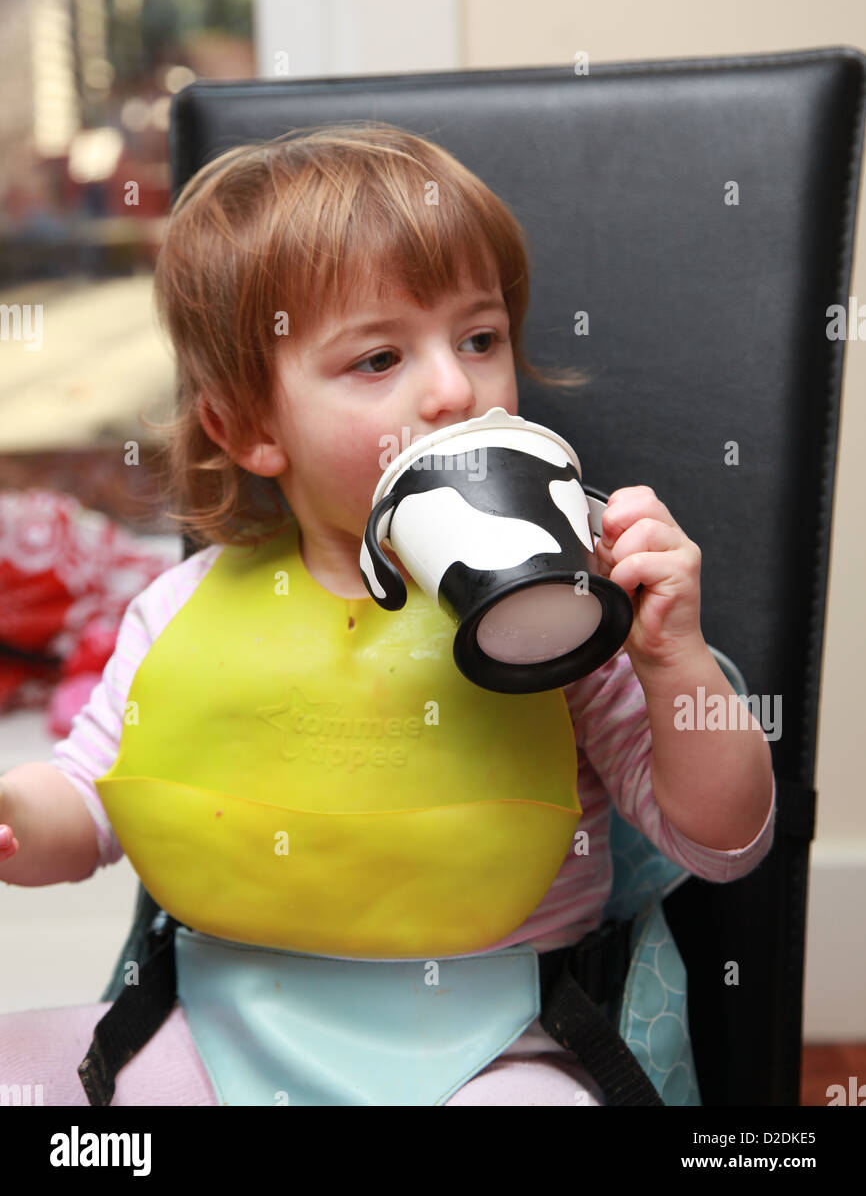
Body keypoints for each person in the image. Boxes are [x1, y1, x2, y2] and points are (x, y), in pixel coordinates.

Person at [0, 123, 776, 1106]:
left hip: (487, 1043)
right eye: (377, 359)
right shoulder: (182, 610)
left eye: (479, 338)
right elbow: (88, 804)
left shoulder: (557, 604)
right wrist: (15, 819)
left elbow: (722, 841)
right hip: (220, 1025)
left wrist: (671, 658)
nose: (454, 389)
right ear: (246, 427)